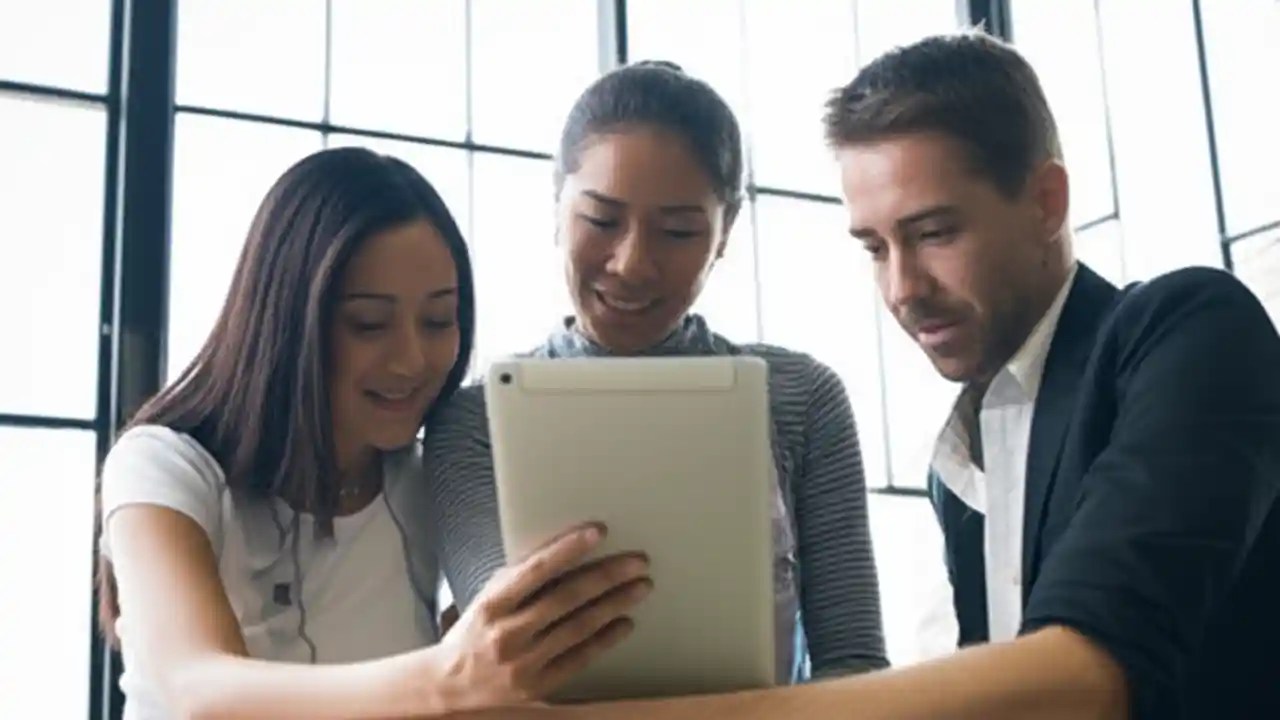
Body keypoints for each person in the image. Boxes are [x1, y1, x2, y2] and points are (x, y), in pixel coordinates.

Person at [445, 32, 1280, 720]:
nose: (902, 289)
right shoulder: (964, 461)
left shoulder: (1190, 330)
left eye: (934, 233)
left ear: (1047, 203)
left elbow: (1083, 678)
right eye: (875, 247)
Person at [95, 147, 654, 720]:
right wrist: (450, 676)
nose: (412, 360)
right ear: (288, 319)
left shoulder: (426, 482)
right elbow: (198, 690)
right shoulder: (161, 467)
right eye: (368, 323)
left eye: (439, 320)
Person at [426, 60, 888, 683]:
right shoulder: (476, 421)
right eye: (600, 220)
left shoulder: (802, 397)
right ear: (556, 205)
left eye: (677, 231)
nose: (632, 263)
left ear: (726, 232)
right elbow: (505, 662)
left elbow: (853, 666)